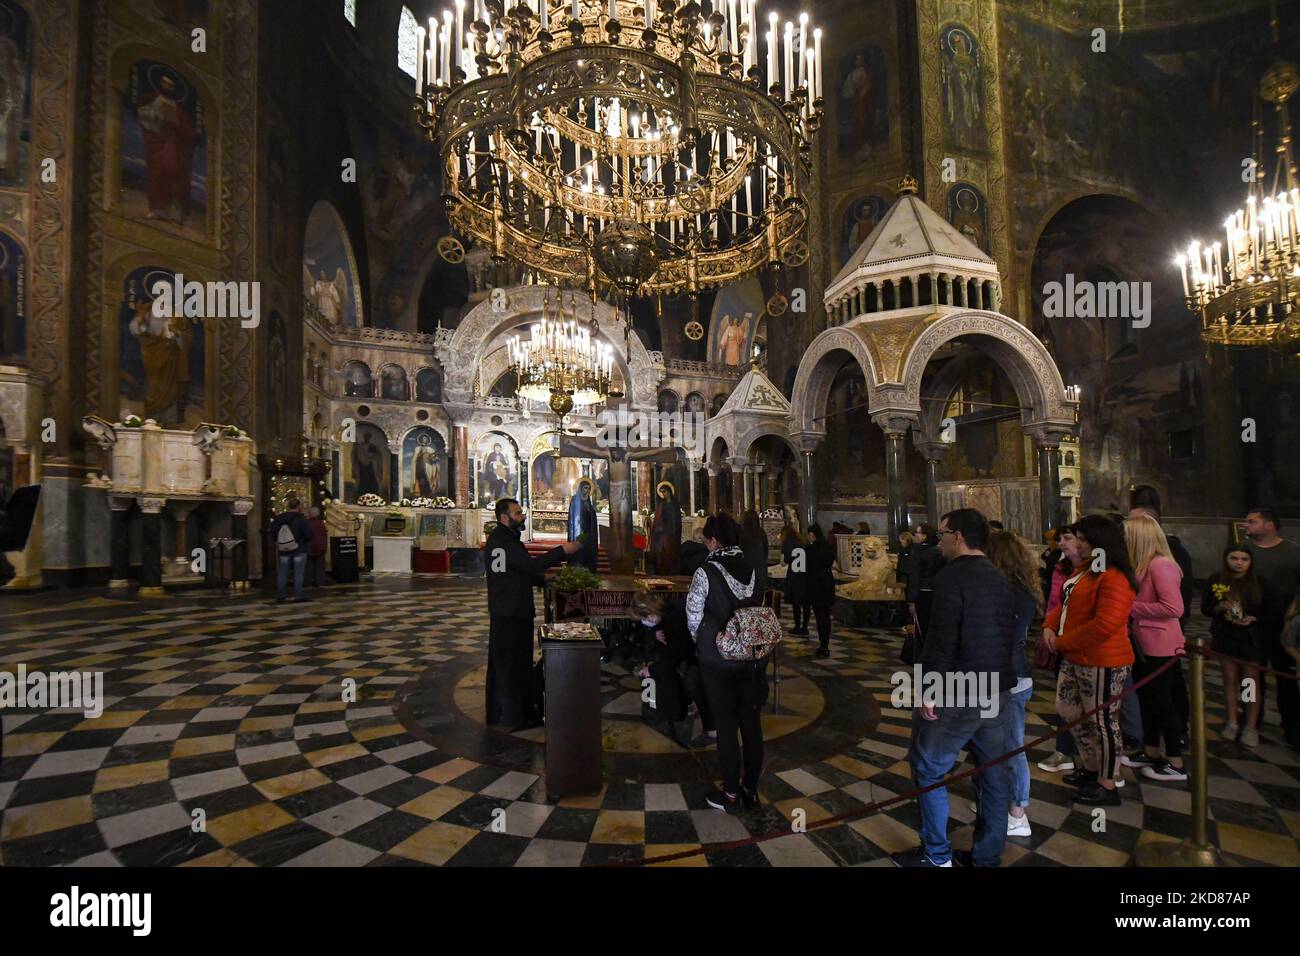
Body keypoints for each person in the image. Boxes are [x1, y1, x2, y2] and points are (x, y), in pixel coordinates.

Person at [893, 508, 1016, 867]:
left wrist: (929, 690)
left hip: (963, 689)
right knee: (992, 772)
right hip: (998, 687)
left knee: (928, 766)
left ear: (958, 537)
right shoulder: (998, 576)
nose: (940, 540)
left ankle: (936, 854)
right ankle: (987, 856)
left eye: (944, 533)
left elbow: (941, 640)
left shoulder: (951, 577)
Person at [1040, 515, 1138, 807]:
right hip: (1075, 656)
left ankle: (1107, 782)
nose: (1077, 543)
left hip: (1103, 659)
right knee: (1070, 710)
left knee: (1101, 720)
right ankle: (1091, 767)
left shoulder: (1115, 576)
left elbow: (1105, 624)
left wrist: (1061, 641)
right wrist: (1049, 625)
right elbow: (1066, 602)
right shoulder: (1086, 570)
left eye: (1082, 538)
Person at [686, 512, 764, 813]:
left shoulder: (707, 571)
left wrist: (707, 644)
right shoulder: (755, 565)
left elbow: (693, 617)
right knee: (752, 724)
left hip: (719, 662)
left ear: (714, 541)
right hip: (754, 658)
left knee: (727, 727)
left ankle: (730, 795)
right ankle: (750, 790)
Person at [485, 498, 582, 728]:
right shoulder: (505, 542)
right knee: (512, 665)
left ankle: (509, 712)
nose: (523, 516)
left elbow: (518, 572)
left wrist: (543, 579)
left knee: (511, 663)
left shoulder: (503, 540)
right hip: (511, 612)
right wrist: (562, 551)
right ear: (504, 518)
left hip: (509, 610)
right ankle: (510, 715)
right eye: (518, 513)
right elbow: (529, 567)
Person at [985, 529, 1042, 837]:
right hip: (1003, 677)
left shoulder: (1014, 593)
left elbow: (1005, 640)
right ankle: (999, 801)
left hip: (1011, 678)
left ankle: (1018, 813)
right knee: (996, 745)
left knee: (1012, 747)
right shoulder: (1013, 589)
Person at [1121, 514, 1187, 781]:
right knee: (1148, 700)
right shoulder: (1144, 565)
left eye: (1127, 535)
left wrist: (1131, 607)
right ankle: (1151, 750)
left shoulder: (1161, 565)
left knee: (1162, 703)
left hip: (1161, 644)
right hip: (1144, 643)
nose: (1124, 540)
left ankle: (1175, 762)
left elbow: (1174, 608)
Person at [1242, 508, 1300, 745]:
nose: (1245, 525)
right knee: (1249, 678)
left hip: (1282, 624)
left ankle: (1292, 724)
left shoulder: (1292, 552)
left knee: (1286, 677)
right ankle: (1249, 720)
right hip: (1250, 624)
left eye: (1251, 522)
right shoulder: (1245, 553)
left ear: (1269, 525)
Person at [633, 584, 715, 750]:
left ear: (651, 614)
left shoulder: (673, 619)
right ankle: (685, 710)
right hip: (693, 649)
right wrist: (653, 632)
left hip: (707, 650)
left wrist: (650, 670)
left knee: (694, 681)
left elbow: (674, 655)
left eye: (646, 618)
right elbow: (651, 633)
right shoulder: (664, 611)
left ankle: (712, 730)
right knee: (687, 678)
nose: (645, 622)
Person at [1202, 545, 1267, 746]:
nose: (1238, 562)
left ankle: (1249, 724)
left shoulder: (1259, 582)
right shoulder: (1216, 579)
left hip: (1250, 639)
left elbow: (1271, 611)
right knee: (1229, 679)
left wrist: (1254, 619)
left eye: (1244, 559)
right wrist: (1219, 608)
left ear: (1250, 561)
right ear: (1226, 559)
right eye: (1234, 558)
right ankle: (1231, 721)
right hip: (1227, 636)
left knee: (1249, 682)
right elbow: (1206, 608)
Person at [1037, 528, 1078, 773]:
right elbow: (1055, 602)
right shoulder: (1062, 567)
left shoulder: (1101, 570)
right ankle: (1066, 751)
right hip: (1061, 640)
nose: (1060, 543)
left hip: (1085, 644)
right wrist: (1049, 628)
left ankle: (1101, 765)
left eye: (1068, 538)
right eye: (1059, 538)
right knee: (1064, 700)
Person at [905, 526, 944, 643]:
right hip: (937, 593)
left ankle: (920, 660)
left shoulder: (917, 552)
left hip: (922, 593)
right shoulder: (940, 551)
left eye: (916, 532)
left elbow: (915, 577)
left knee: (920, 628)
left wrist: (911, 600)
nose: (914, 535)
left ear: (924, 536)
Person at [270, 498, 312, 603]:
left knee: (282, 572)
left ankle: (280, 595)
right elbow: (308, 534)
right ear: (299, 507)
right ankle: (298, 595)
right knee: (298, 573)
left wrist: (278, 542)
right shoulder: (301, 519)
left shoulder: (279, 518)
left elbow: (273, 532)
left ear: (288, 506)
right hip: (299, 548)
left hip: (284, 549)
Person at [806, 524, 837, 658]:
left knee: (820, 616)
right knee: (826, 616)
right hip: (828, 582)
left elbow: (807, 567)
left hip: (816, 585)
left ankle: (823, 645)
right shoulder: (827, 548)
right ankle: (825, 643)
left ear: (812, 535)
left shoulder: (811, 549)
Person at [781, 523, 809, 636]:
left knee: (796, 603)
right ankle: (805, 627)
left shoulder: (788, 543)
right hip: (805, 574)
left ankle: (797, 626)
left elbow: (785, 560)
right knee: (806, 603)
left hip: (794, 575)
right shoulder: (802, 542)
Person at [650, 481, 683, 574]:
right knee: (660, 548)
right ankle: (659, 569)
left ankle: (670, 569)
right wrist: (659, 527)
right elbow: (658, 518)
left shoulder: (675, 504)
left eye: (665, 491)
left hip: (672, 531)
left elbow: (676, 520)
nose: (664, 494)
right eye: (662, 492)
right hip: (662, 530)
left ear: (669, 491)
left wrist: (673, 530)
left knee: (669, 550)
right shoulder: (661, 505)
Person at [567, 480, 599, 571]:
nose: (587, 490)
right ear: (580, 488)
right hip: (578, 531)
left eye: (589, 488)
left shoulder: (589, 501)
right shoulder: (575, 499)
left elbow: (592, 516)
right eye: (585, 488)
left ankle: (588, 569)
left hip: (588, 532)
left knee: (587, 551)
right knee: (578, 552)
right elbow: (573, 516)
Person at [740, 509, 769, 597]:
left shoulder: (742, 533)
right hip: (760, 568)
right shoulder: (761, 533)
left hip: (746, 569)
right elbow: (766, 550)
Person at [305, 505, 328, 589]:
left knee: (309, 566)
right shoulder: (321, 523)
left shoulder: (307, 523)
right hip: (320, 547)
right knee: (319, 566)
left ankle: (308, 582)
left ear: (310, 514)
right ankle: (320, 582)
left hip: (310, 547)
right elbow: (324, 534)